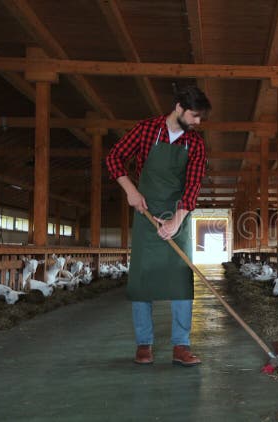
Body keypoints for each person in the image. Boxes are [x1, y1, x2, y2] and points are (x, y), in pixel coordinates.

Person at [105, 85, 211, 366]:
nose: (198, 122)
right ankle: (144, 343)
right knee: (142, 278)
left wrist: (177, 220)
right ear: (178, 108)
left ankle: (181, 345)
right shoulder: (145, 130)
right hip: (145, 212)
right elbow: (113, 158)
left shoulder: (196, 144)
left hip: (179, 213)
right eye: (194, 115)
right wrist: (130, 190)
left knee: (180, 278)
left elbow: (193, 185)